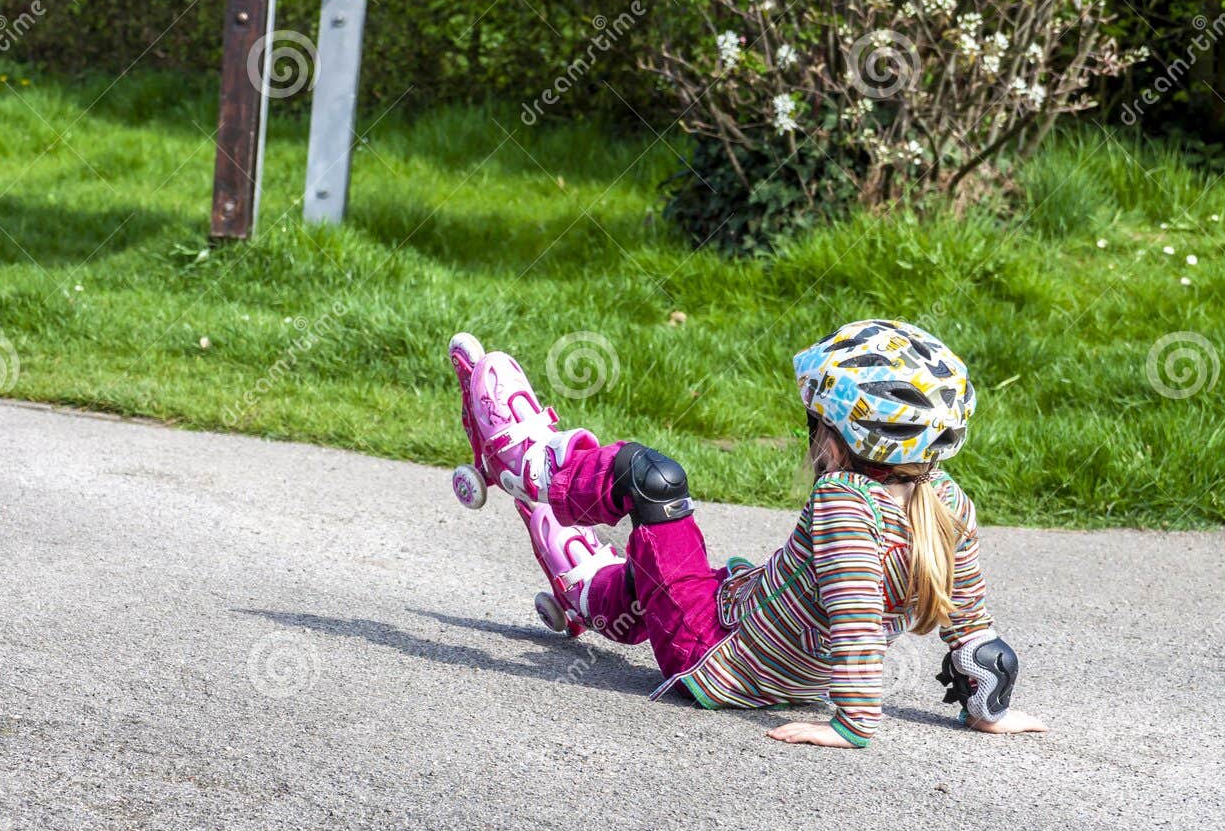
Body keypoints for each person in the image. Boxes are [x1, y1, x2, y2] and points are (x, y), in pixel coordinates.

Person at [448, 319, 1047, 749]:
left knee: (652, 479)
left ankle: (525, 464)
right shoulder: (946, 502)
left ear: (836, 434)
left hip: (709, 652)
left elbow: (856, 612)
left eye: (815, 423)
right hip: (749, 630)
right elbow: (971, 623)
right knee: (691, 573)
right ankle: (598, 596)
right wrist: (988, 711)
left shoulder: (843, 500)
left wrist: (852, 724)